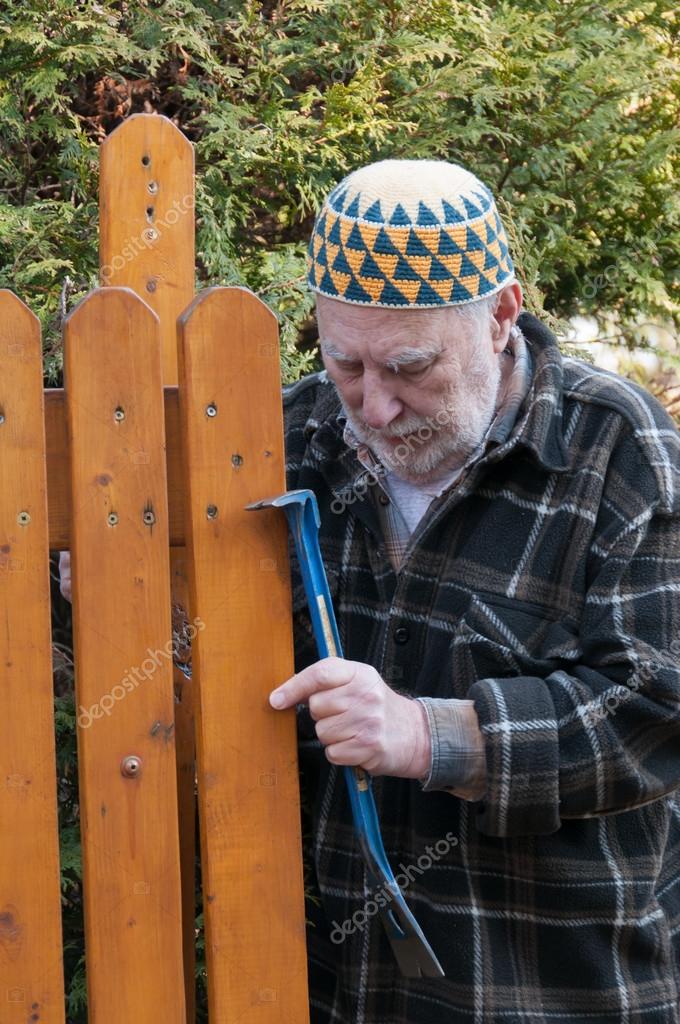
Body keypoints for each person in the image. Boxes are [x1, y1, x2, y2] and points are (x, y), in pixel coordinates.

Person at [61, 159, 680, 1022]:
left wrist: (431, 735)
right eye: (346, 362)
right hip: (331, 992)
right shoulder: (282, 437)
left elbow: (654, 709)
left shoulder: (618, 450)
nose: (376, 407)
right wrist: (121, 596)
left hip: (550, 989)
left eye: (410, 366)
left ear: (502, 316)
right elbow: (225, 685)